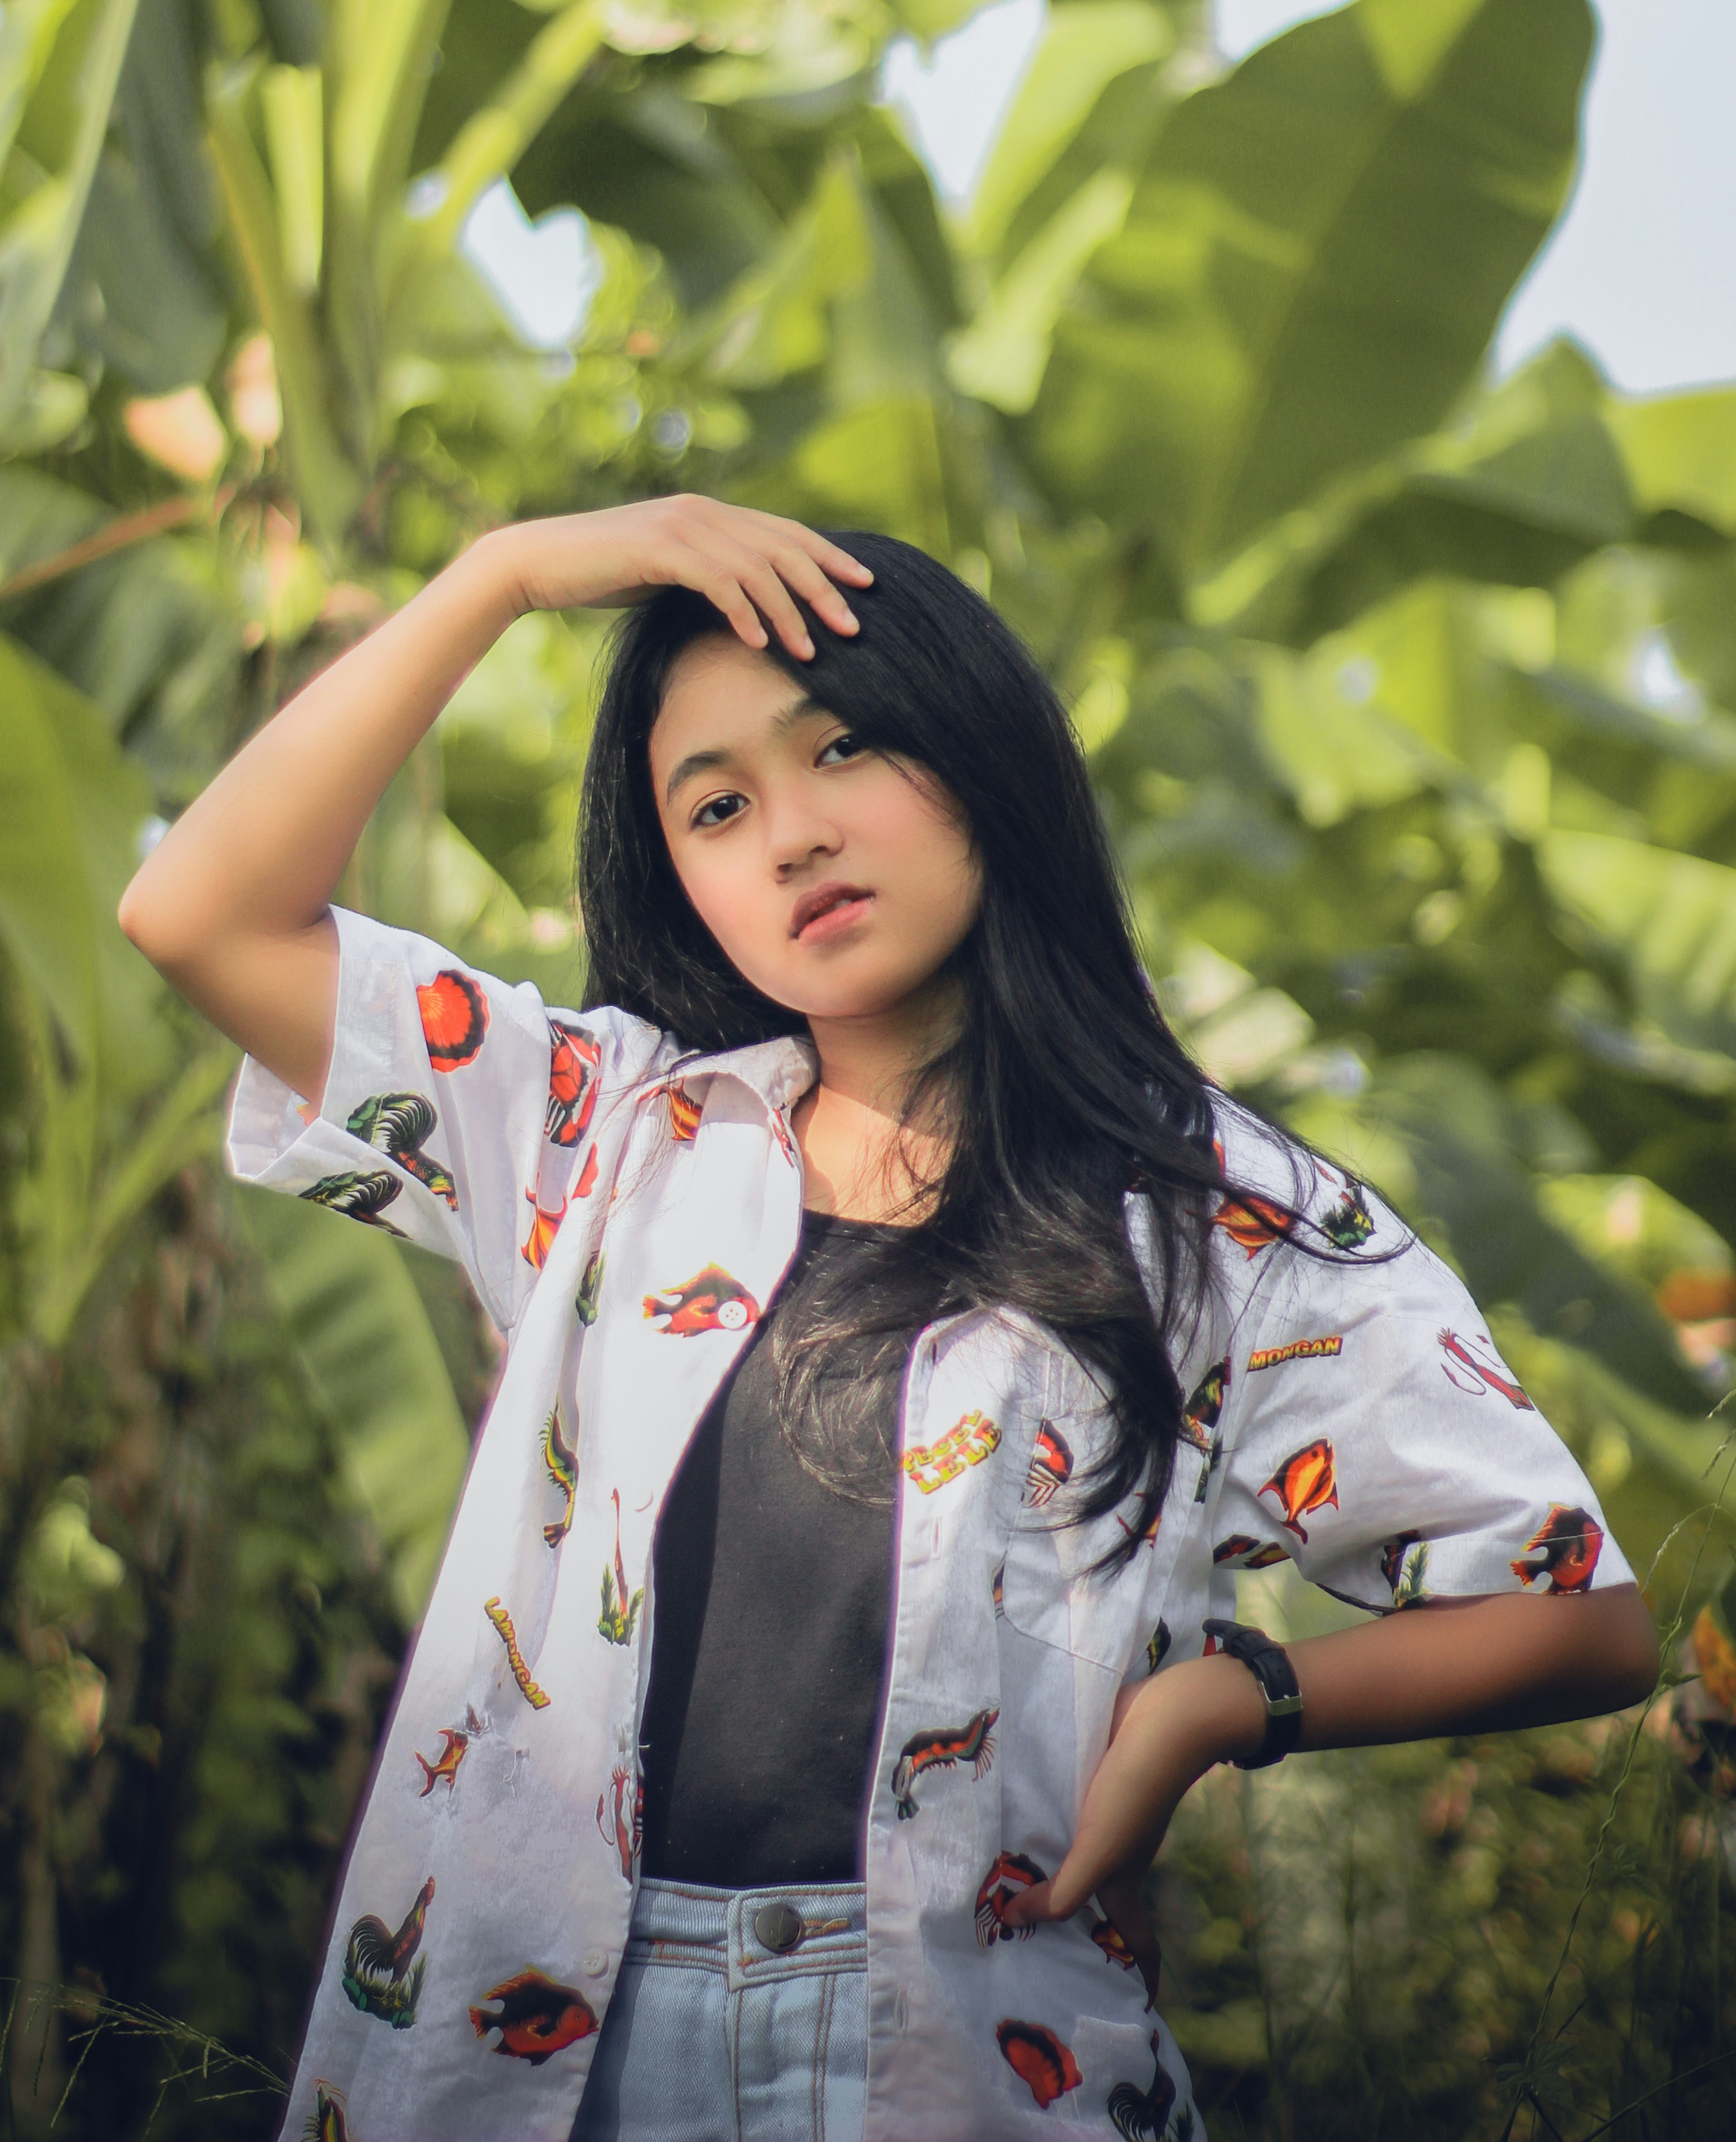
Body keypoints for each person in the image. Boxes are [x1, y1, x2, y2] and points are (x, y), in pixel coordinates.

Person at [120, 497, 1658, 2142]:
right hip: (556, 2037)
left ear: (978, 753)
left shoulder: (1218, 1218)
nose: (790, 836)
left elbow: (1578, 1615)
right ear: (682, 880)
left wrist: (1233, 1703)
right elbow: (198, 914)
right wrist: (505, 575)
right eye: (717, 806)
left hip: (964, 2046)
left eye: (843, 747)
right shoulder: (603, 1136)